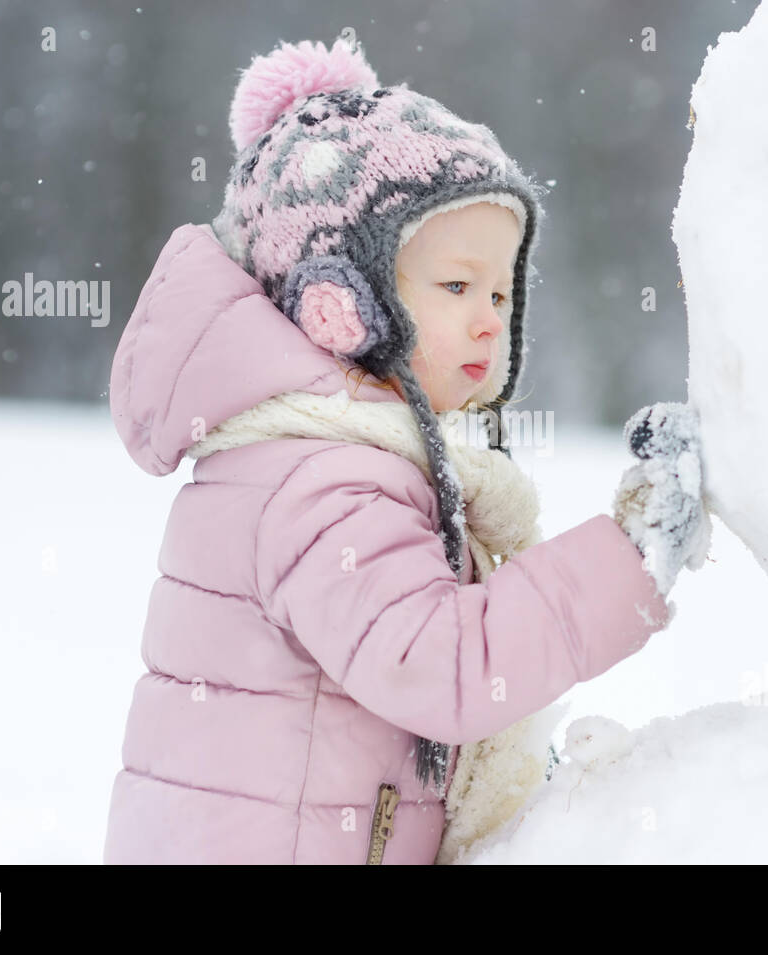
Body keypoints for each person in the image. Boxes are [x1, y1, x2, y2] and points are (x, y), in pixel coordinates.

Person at [102, 36, 711, 865]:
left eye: (501, 290)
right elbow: (439, 665)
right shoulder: (320, 483)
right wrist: (632, 561)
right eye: (457, 287)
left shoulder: (325, 452)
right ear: (337, 302)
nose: (491, 317)